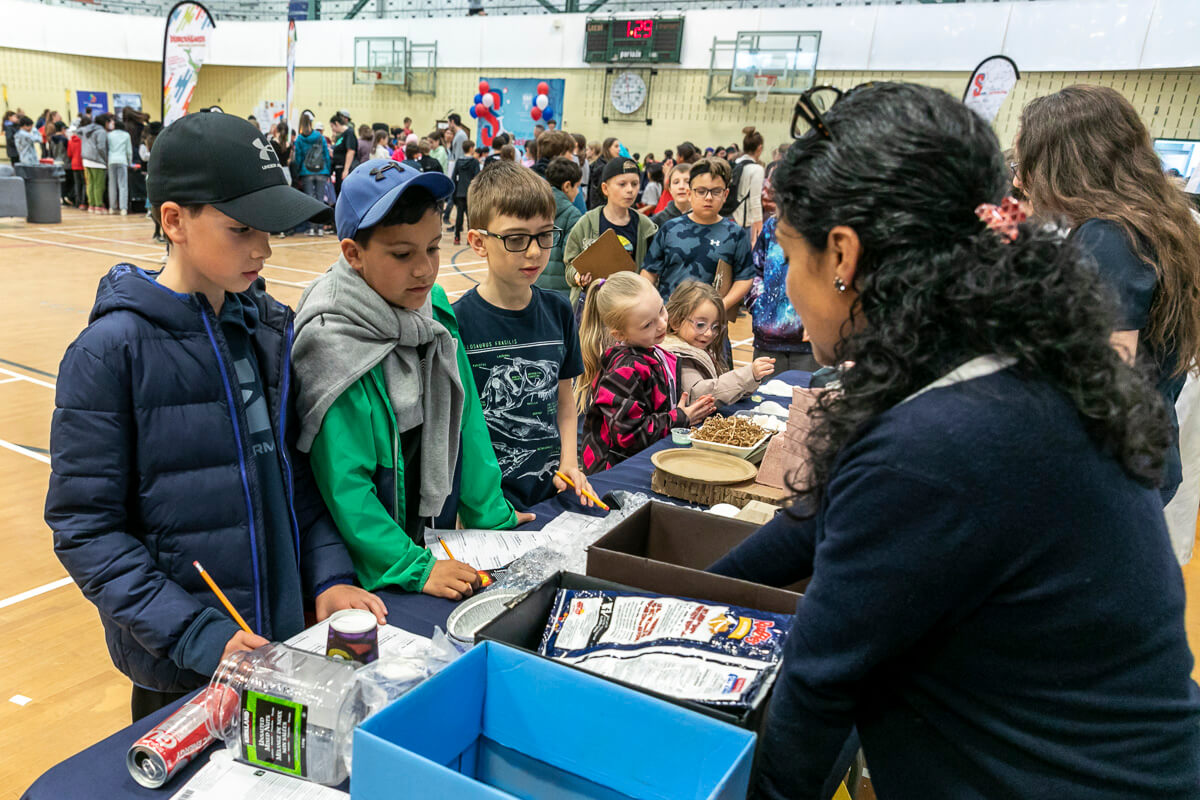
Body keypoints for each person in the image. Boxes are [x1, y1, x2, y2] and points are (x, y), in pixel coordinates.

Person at [707, 81, 1200, 800]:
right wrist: (683, 589)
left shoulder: (943, 441)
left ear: (843, 254)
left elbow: (818, 684)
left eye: (789, 252)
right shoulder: (1005, 362)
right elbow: (813, 524)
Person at [46, 112, 383, 722]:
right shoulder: (108, 354)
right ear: (174, 220)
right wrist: (197, 636)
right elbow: (86, 530)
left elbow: (297, 478)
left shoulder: (268, 329)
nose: (262, 248)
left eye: (268, 228)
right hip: (185, 672)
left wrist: (328, 574)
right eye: (240, 229)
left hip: (285, 641)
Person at [292, 159, 531, 599]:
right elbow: (345, 483)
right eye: (402, 254)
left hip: (427, 536)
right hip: (372, 566)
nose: (424, 268)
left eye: (434, 248)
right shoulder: (331, 339)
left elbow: (467, 419)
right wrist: (413, 568)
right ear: (353, 253)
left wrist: (491, 514)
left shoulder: (432, 306)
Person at [1016, 85, 1200, 508]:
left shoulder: (1110, 238)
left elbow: (1099, 380)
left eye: (1026, 165)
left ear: (1065, 165)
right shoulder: (1157, 224)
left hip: (1111, 472)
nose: (1018, 180)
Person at [454, 161, 594, 511]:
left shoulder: (560, 311)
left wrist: (569, 462)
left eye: (545, 235)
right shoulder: (456, 323)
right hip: (484, 506)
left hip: (549, 492)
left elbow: (565, 400)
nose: (535, 252)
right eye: (516, 239)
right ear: (478, 242)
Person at [576, 272, 716, 473]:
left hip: (640, 461)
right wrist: (679, 418)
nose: (661, 324)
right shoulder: (625, 370)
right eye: (647, 324)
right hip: (616, 474)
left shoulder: (651, 349)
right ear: (620, 334)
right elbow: (629, 435)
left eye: (661, 310)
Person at [642, 157, 753, 314]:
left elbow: (745, 276)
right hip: (670, 319)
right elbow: (649, 272)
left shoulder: (735, 234)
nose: (708, 197)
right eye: (701, 191)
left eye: (716, 191)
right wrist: (654, 305)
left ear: (725, 194)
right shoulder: (670, 229)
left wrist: (722, 305)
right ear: (689, 193)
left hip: (712, 325)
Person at [564, 157, 658, 309]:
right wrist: (578, 276)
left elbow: (652, 269)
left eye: (634, 184)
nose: (630, 190)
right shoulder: (587, 223)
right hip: (593, 308)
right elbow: (570, 265)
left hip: (628, 307)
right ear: (605, 188)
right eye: (622, 184)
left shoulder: (646, 227)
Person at [662, 280, 773, 404]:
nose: (709, 333)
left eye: (715, 327)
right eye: (700, 325)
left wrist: (750, 380)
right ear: (676, 321)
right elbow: (698, 394)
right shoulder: (678, 356)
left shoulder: (697, 347)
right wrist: (747, 375)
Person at [746, 215, 818, 373]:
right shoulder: (772, 225)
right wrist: (760, 308)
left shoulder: (828, 227)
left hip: (812, 345)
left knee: (805, 396)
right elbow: (755, 271)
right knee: (765, 397)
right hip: (768, 340)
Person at [538, 156, 583, 299]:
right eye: (577, 186)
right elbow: (572, 256)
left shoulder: (532, 206)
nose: (578, 192)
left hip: (532, 283)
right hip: (559, 291)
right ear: (567, 186)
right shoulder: (573, 215)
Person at [293, 115, 332, 237]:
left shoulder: (299, 139)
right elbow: (326, 154)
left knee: (309, 200)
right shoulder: (320, 137)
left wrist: (299, 171)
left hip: (306, 172)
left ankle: (311, 228)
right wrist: (328, 170)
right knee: (320, 200)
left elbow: (298, 157)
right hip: (321, 171)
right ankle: (320, 229)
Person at [729, 126, 766, 245]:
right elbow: (755, 200)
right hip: (742, 222)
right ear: (759, 148)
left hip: (727, 215)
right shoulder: (757, 169)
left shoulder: (734, 164)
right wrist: (760, 227)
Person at [451, 140, 480, 245]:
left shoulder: (458, 161)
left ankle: (457, 237)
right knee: (470, 216)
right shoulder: (475, 162)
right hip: (470, 192)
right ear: (471, 148)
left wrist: (453, 193)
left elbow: (454, 177)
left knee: (459, 215)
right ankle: (470, 239)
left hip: (460, 191)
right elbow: (477, 178)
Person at [81, 113, 111, 213]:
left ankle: (91, 205)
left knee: (90, 184)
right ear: (105, 122)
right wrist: (106, 159)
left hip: (86, 160)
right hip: (98, 161)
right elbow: (101, 147)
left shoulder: (86, 129)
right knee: (99, 184)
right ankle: (98, 205)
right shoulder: (101, 132)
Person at [651, 162, 691, 227]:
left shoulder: (706, 219)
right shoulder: (656, 222)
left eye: (687, 182)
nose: (681, 186)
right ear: (670, 189)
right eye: (676, 182)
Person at [106, 118, 132, 215]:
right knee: (123, 185)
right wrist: (129, 162)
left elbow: (107, 148)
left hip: (111, 160)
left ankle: (112, 207)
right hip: (122, 160)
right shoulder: (126, 135)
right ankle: (123, 208)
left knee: (112, 185)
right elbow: (129, 151)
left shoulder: (109, 135)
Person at [587, 137, 620, 209]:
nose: (619, 149)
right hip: (600, 207)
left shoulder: (609, 164)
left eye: (619, 146)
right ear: (608, 148)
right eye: (616, 146)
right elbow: (600, 193)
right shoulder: (602, 167)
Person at [329, 112, 357, 195]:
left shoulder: (349, 133)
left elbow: (350, 151)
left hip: (344, 168)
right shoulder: (341, 135)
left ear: (336, 124)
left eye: (332, 127)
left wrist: (346, 170)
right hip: (338, 168)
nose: (332, 129)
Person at [67, 123, 86, 209]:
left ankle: (77, 202)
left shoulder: (70, 141)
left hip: (74, 164)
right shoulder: (83, 141)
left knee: (77, 184)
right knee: (84, 184)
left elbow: (69, 154)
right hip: (82, 164)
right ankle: (83, 202)